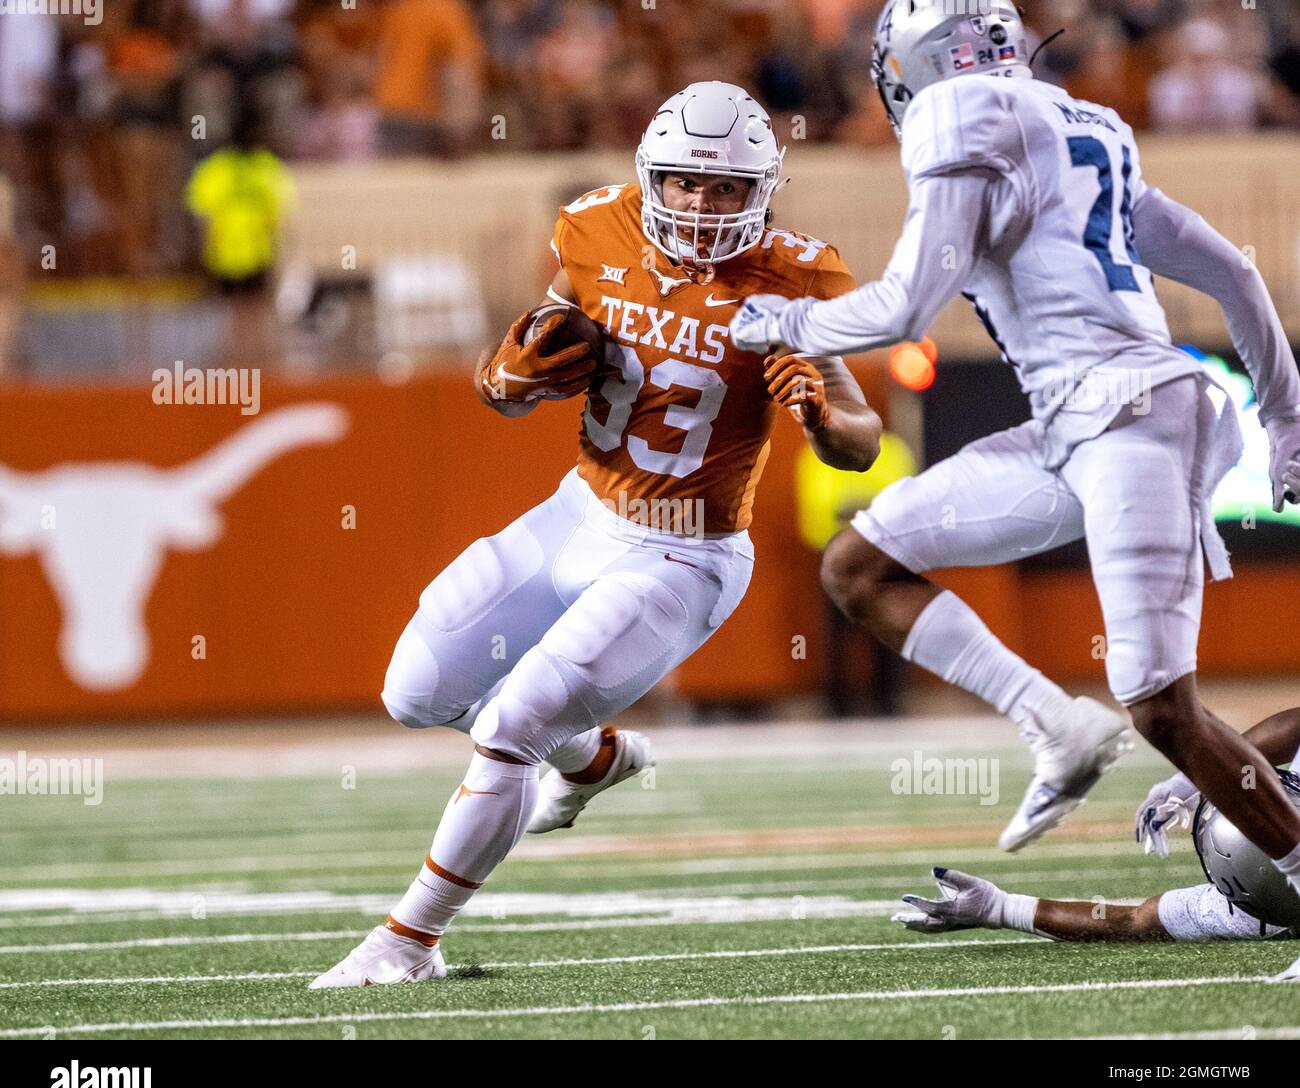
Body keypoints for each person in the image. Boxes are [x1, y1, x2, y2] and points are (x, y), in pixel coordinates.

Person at [309, 81, 882, 987]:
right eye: (685, 181)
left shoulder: (799, 277)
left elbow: (862, 439)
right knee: (413, 690)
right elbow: (529, 356)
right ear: (651, 176)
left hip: (684, 552)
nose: (702, 204)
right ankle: (594, 756)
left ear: (762, 191)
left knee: (513, 725)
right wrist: (508, 378)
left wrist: (818, 417)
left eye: (726, 187)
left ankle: (407, 941)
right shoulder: (594, 227)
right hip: (579, 512)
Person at [727, 0, 1300, 887]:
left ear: (917, 63)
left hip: (1130, 412)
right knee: (859, 565)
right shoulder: (1082, 124)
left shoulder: (957, 112)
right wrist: (1285, 420)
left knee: (1161, 708)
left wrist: (784, 322)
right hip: (1082, 424)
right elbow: (1233, 271)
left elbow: (906, 306)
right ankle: (1056, 724)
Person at [893, 709, 1300, 951]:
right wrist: (997, 908)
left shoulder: (1242, 915)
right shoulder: (1246, 914)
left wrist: (1001, 909)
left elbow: (1131, 922)